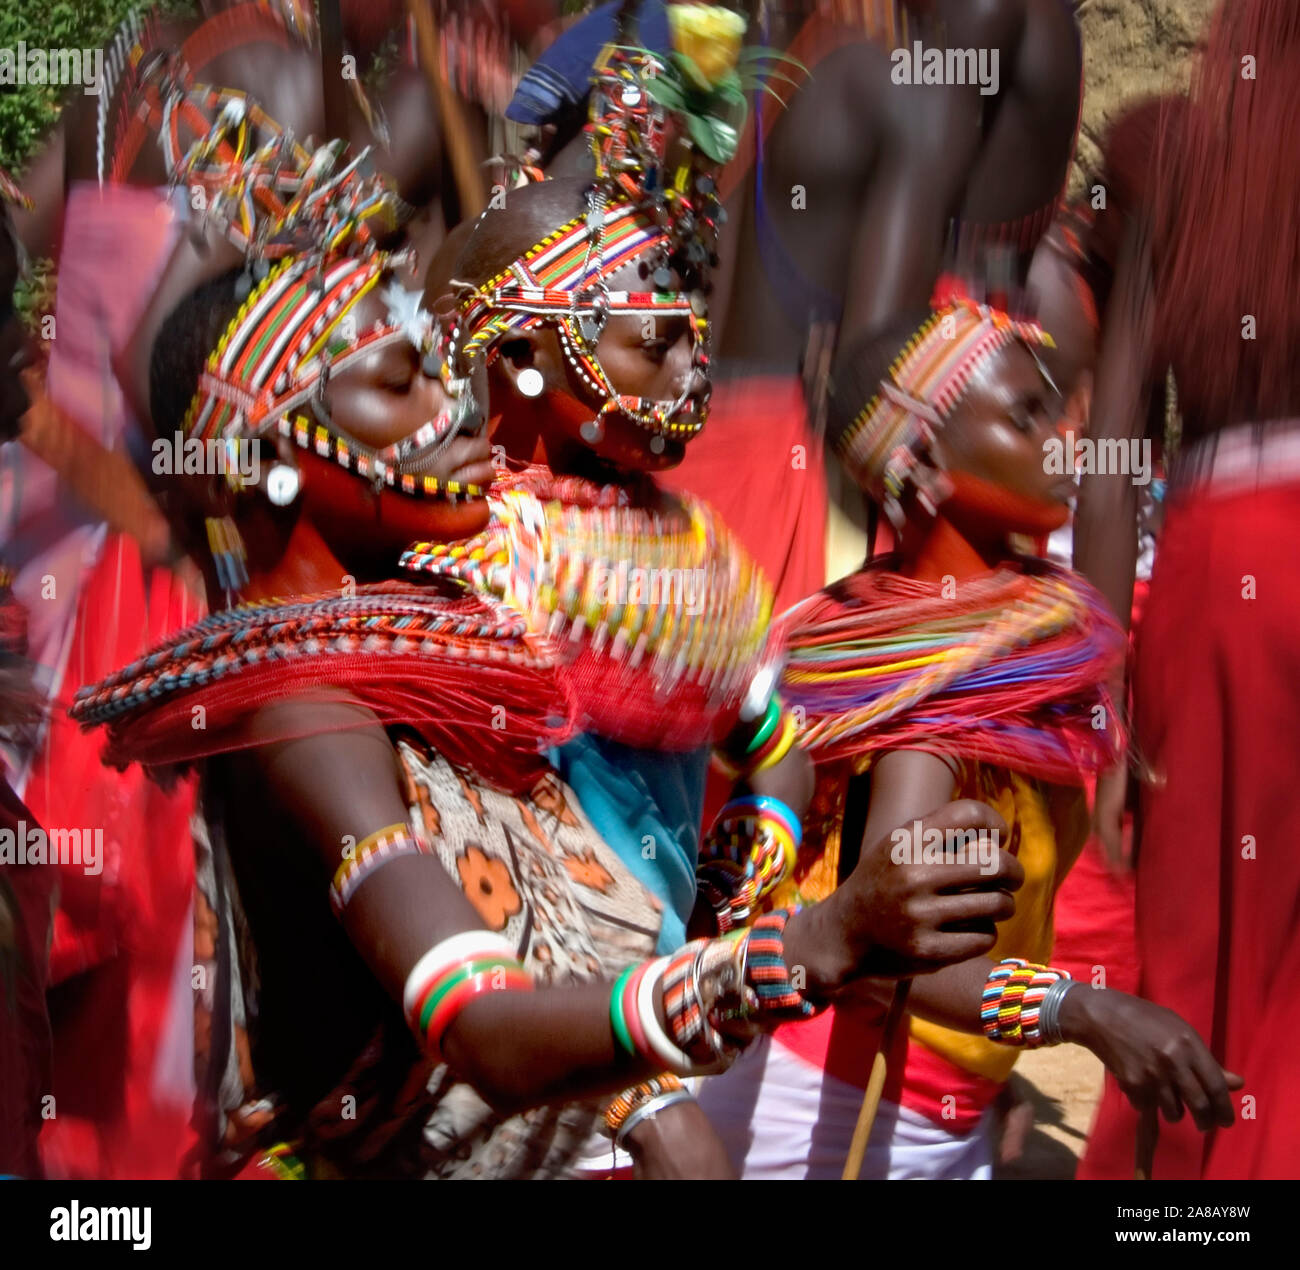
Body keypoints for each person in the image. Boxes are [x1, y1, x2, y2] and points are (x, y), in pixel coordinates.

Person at [72, 54, 1022, 1178]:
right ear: (274, 461)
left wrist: (748, 892)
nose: (450, 403)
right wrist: (816, 939)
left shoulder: (437, 638)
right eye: (396, 384)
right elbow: (485, 1030)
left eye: (436, 368)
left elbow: (576, 941)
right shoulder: (310, 705)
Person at [695, 295, 1239, 1178]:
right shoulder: (935, 698)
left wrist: (992, 1087)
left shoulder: (944, 633)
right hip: (841, 1118)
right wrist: (1083, 1012)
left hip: (916, 1102)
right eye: (1026, 416)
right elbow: (879, 950)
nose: (1062, 435)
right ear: (928, 465)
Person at [1076, 0, 1300, 1180]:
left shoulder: (1166, 156)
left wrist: (1097, 699)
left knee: (1198, 957)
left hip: (1218, 583)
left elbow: (1112, 453)